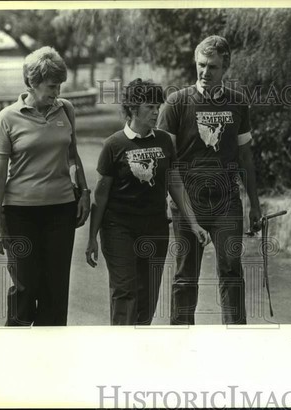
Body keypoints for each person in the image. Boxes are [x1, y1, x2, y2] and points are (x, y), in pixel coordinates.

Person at [85, 78, 210, 326]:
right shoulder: (114, 144)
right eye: (150, 107)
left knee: (147, 298)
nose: (156, 112)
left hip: (155, 229)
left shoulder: (164, 141)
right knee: (125, 292)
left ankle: (139, 350)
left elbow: (175, 183)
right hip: (119, 229)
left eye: (157, 106)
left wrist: (194, 224)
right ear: (132, 108)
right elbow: (101, 195)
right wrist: (92, 237)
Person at [157, 35, 262, 325]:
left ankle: (235, 338)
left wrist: (255, 204)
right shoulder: (176, 103)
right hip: (188, 201)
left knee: (231, 269)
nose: (205, 72)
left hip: (226, 200)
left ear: (225, 67)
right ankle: (180, 341)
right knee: (185, 275)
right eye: (201, 65)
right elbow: (164, 162)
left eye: (213, 67)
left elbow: (245, 158)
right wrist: (164, 204)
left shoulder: (238, 104)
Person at [0, 46, 91, 326]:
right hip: (20, 213)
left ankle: (50, 358)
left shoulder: (65, 110)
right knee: (26, 287)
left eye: (59, 85)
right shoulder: (7, 118)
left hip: (61, 211)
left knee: (55, 292)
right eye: (51, 86)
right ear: (31, 83)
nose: (56, 91)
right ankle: (16, 353)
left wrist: (84, 191)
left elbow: (72, 154)